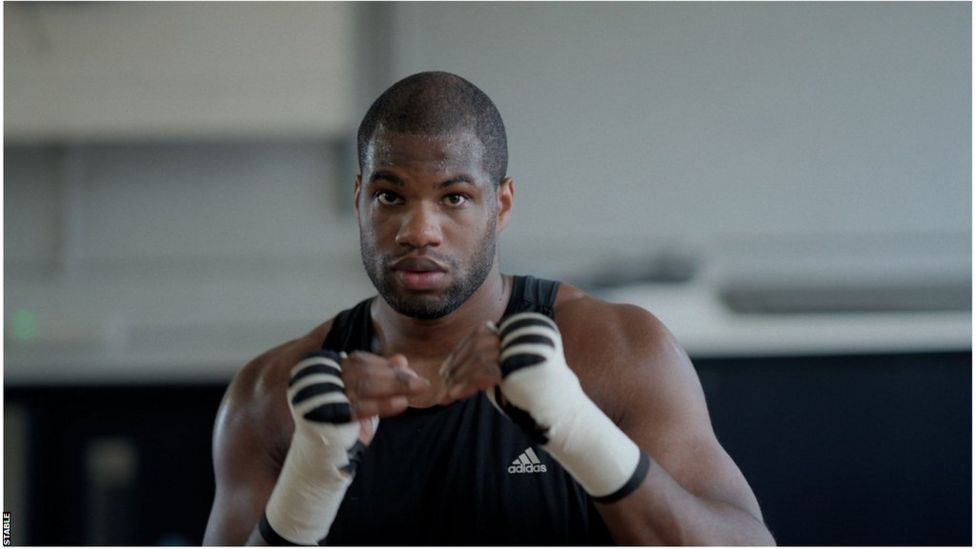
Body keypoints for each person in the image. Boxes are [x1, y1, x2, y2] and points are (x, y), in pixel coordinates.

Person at [202, 71, 775, 546]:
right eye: (390, 196)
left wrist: (577, 428)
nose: (418, 230)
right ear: (359, 201)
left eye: (454, 197)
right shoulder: (270, 393)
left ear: (499, 205)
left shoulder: (613, 350)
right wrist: (311, 476)